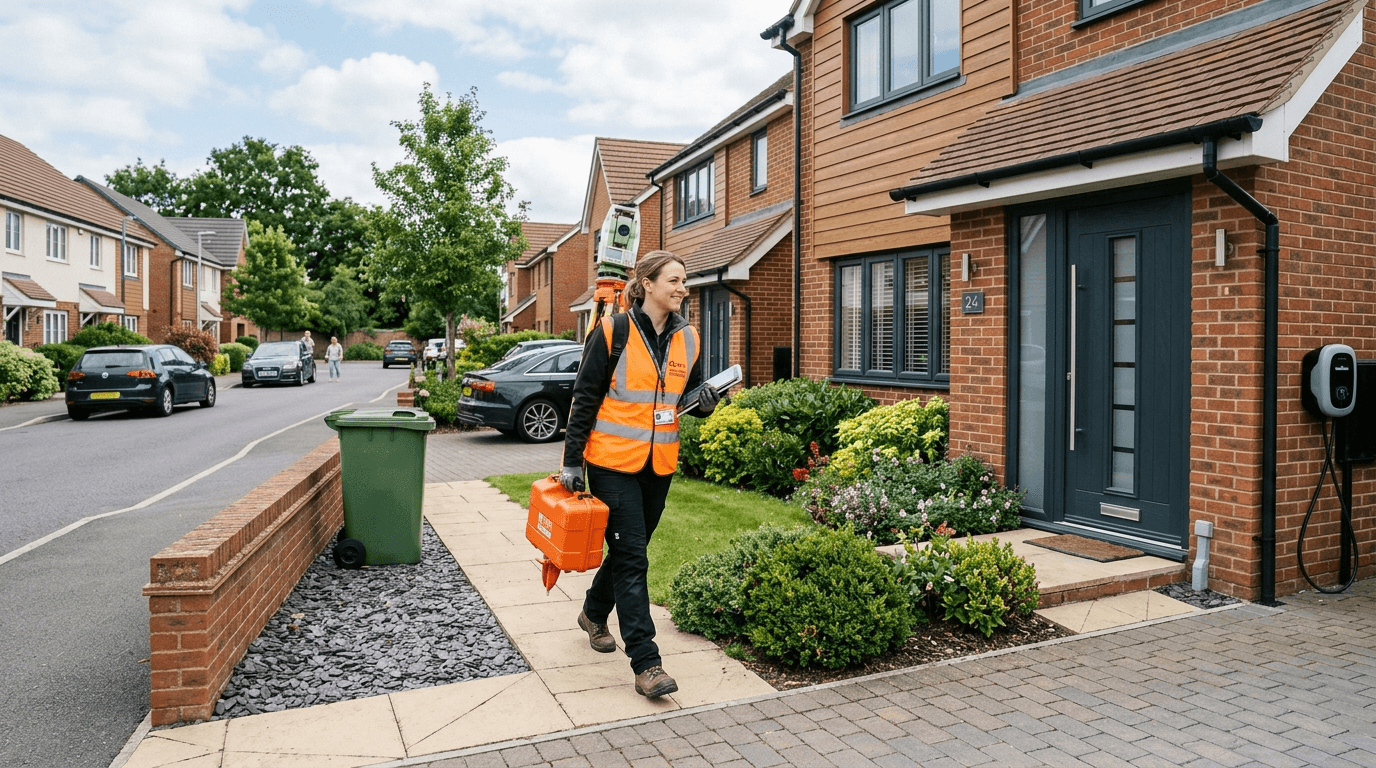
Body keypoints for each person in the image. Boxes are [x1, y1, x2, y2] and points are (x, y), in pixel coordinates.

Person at [560, 251, 723, 699]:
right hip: (611, 461)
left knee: (630, 548)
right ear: (646, 283)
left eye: (685, 281)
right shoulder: (612, 331)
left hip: (659, 463)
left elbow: (687, 395)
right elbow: (584, 398)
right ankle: (647, 662)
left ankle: (594, 612)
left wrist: (704, 403)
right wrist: (571, 461)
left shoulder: (688, 337)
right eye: (674, 280)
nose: (682, 288)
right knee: (633, 555)